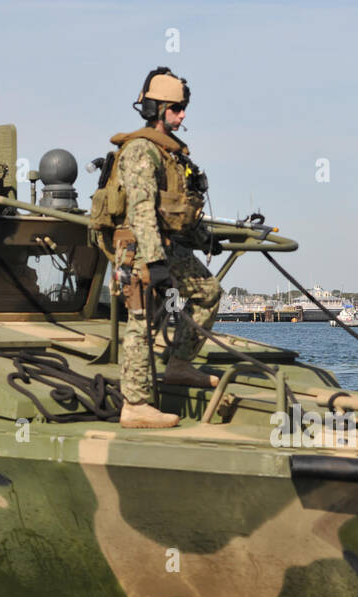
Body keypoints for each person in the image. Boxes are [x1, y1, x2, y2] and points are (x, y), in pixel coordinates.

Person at [109, 67, 223, 428]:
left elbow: (171, 206)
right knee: (140, 320)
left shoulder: (168, 153)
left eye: (183, 107)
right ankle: (135, 405)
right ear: (158, 110)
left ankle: (179, 364)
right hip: (140, 249)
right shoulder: (142, 151)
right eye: (175, 108)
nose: (182, 115)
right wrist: (155, 264)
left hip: (166, 245)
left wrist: (203, 237)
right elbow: (141, 209)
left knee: (209, 292)